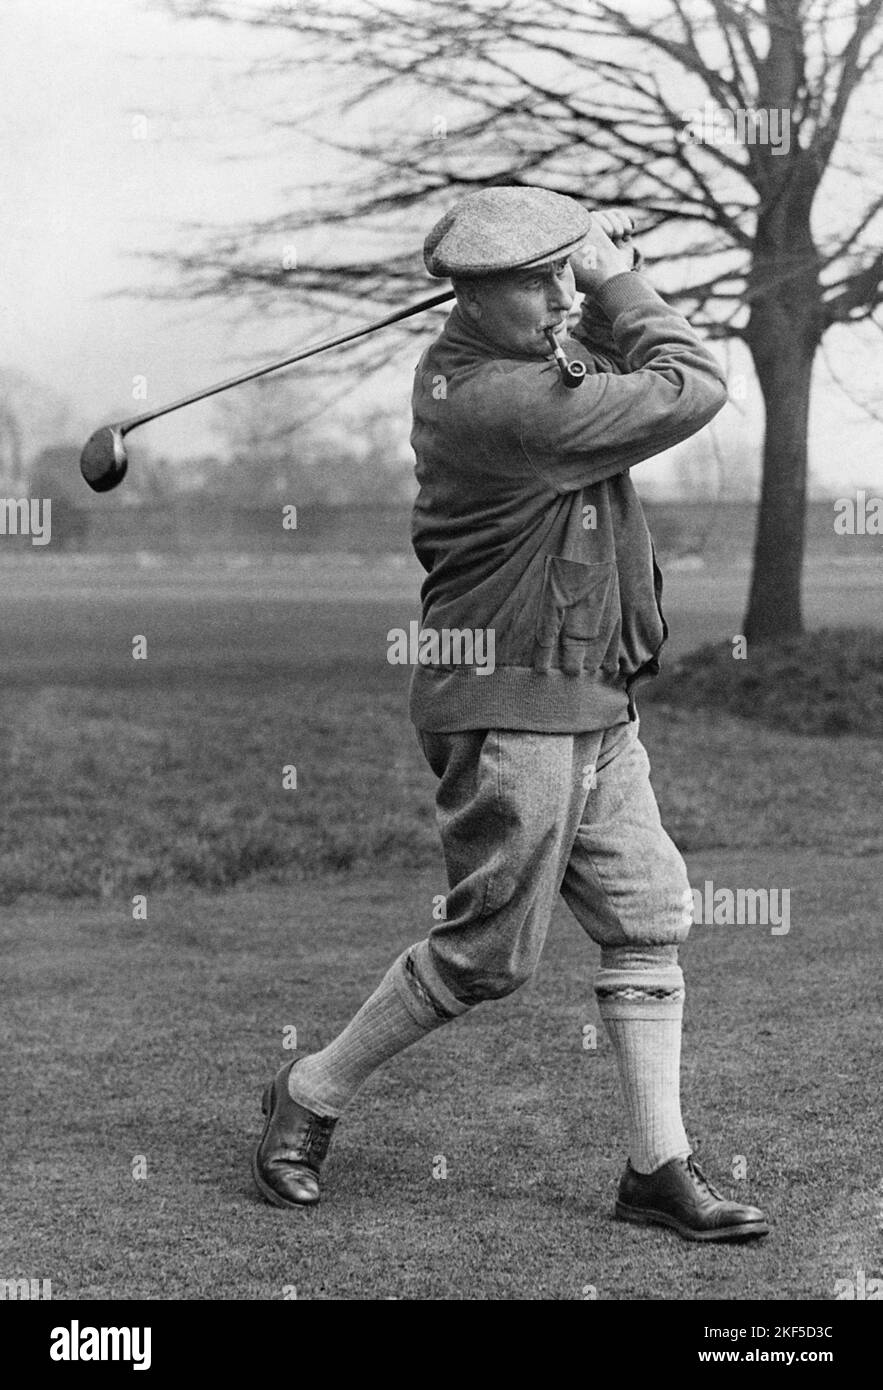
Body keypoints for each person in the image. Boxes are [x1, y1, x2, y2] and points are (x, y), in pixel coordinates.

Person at [252, 186, 769, 1243]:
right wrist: (617, 282)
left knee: (646, 914)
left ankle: (655, 1166)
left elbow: (593, 365)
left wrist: (597, 282)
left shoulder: (514, 364)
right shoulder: (497, 404)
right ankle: (309, 1089)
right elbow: (690, 384)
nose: (558, 298)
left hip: (587, 693)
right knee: (488, 955)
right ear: (473, 297)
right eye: (536, 284)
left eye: (560, 274)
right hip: (509, 706)